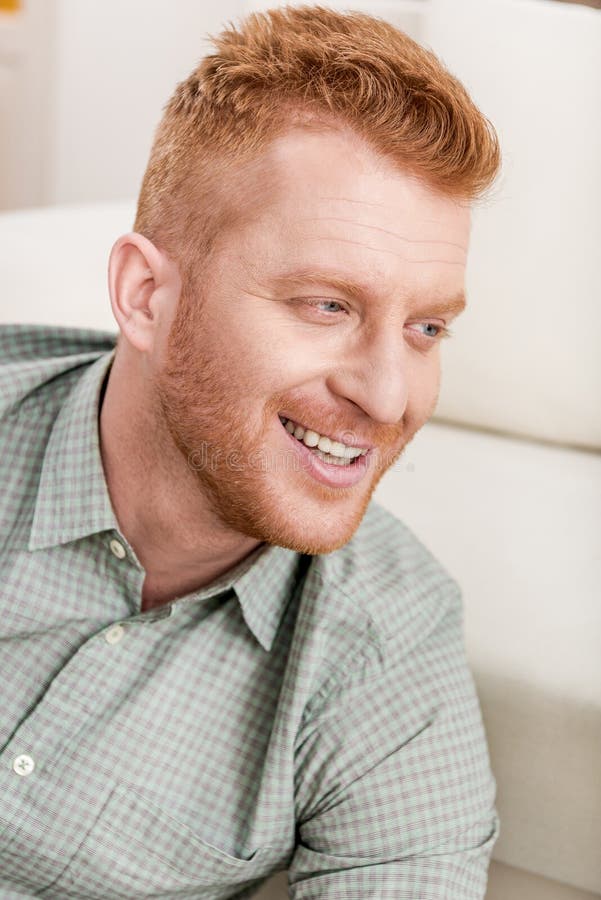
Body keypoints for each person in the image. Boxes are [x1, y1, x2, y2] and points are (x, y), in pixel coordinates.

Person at [0, 5, 501, 897]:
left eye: (426, 327)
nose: (387, 396)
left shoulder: (384, 644)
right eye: (327, 306)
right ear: (146, 295)